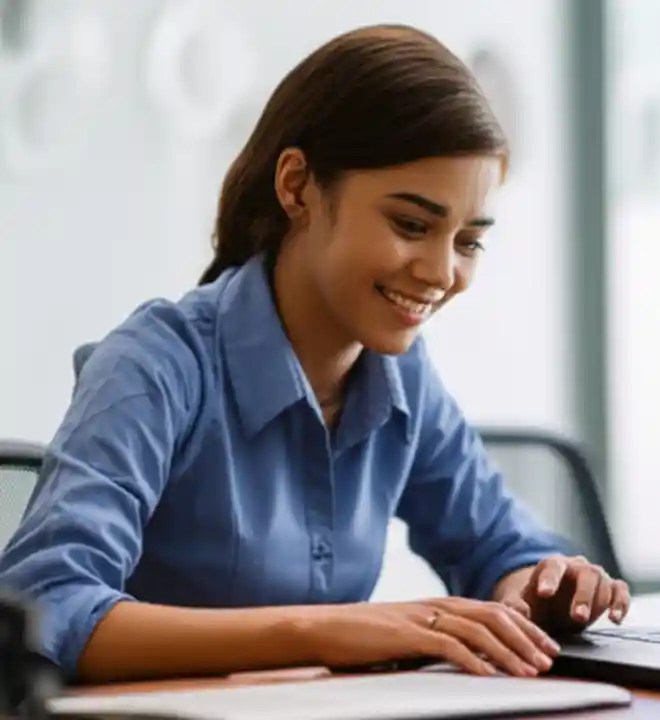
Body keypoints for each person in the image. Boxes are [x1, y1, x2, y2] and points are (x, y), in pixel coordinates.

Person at [0, 24, 628, 684]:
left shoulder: (402, 375)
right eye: (411, 225)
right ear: (297, 186)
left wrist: (538, 584)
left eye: (468, 241)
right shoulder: (155, 365)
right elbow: (49, 605)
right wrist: (323, 630)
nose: (442, 272)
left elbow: (499, 547)